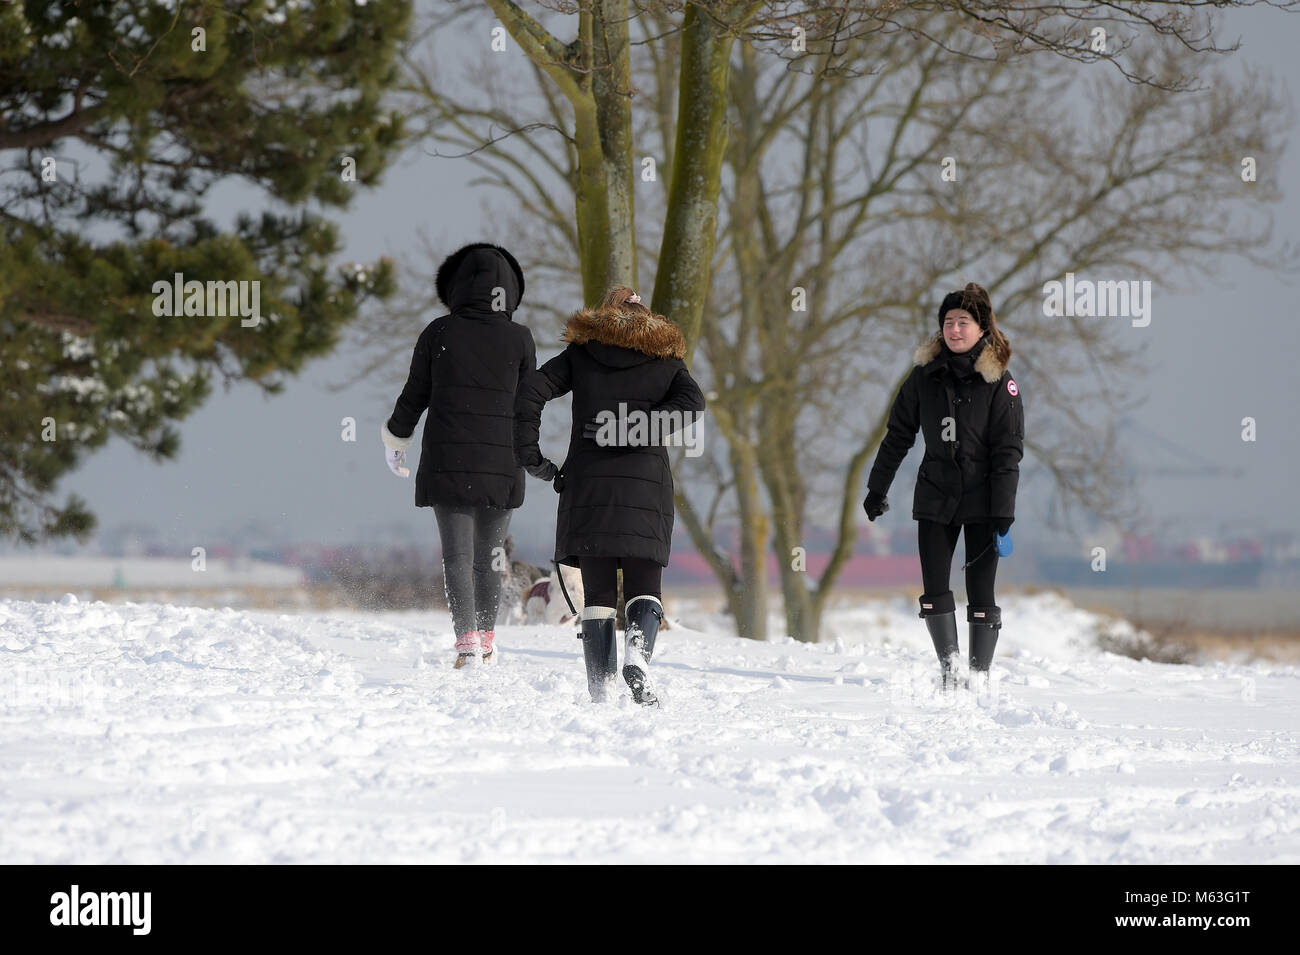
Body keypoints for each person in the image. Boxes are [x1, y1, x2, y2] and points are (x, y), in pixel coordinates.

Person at [514, 285, 706, 705]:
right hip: (647, 489)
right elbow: (693, 405)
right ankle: (638, 657)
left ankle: (600, 690)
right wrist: (638, 428)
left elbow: (530, 392)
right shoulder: (667, 360)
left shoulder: (581, 355)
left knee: (598, 595)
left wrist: (533, 458)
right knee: (644, 585)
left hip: (589, 487)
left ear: (604, 315)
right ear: (647, 317)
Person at [382, 243, 537, 668]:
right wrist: (531, 455)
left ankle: (466, 642)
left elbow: (414, 396)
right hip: (503, 463)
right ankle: (486, 641)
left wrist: (396, 441)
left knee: (457, 557)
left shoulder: (439, 333)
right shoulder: (520, 339)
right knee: (490, 556)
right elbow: (528, 407)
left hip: (448, 461)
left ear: (455, 287)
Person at [863, 283, 1024, 688]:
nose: (954, 329)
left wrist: (1004, 509)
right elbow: (899, 434)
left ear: (982, 327)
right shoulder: (923, 378)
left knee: (979, 587)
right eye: (948, 322)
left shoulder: (1000, 383)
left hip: (985, 500)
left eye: (963, 322)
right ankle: (951, 671)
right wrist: (877, 487)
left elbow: (1009, 450)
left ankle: (980, 675)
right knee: (934, 587)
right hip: (935, 496)